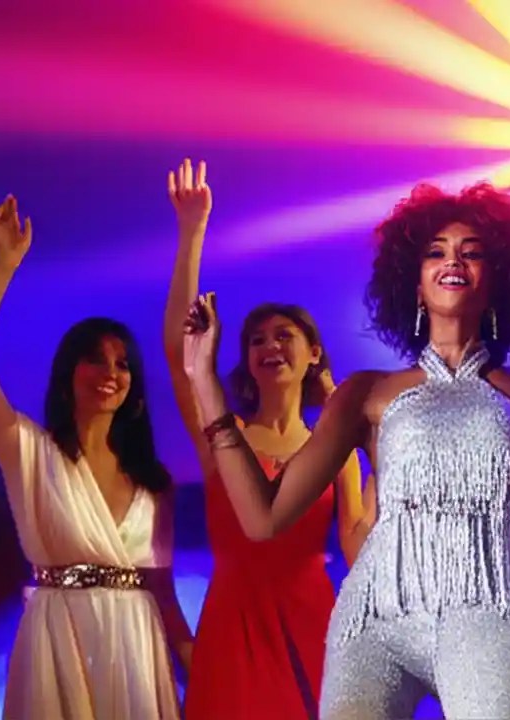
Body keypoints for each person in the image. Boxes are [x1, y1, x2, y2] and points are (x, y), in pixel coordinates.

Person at [181, 182, 510, 719]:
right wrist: (202, 379)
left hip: (484, 611)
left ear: (498, 281)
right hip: (375, 616)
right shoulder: (367, 394)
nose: (454, 261)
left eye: (472, 252)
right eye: (436, 251)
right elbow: (262, 519)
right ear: (415, 284)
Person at [0, 195, 190, 719]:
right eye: (95, 358)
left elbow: (164, 594)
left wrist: (201, 665)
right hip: (55, 639)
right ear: (68, 372)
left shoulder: (153, 482)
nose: (110, 371)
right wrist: (3, 267)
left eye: (123, 363)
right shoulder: (30, 451)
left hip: (135, 648)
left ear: (134, 385)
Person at [162, 159, 369, 719]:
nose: (269, 346)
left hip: (313, 625)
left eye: (285, 336)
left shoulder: (335, 448)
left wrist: (379, 448)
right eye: (257, 339)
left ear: (314, 354)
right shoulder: (219, 436)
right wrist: (192, 231)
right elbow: (180, 360)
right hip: (234, 626)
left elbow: (357, 544)